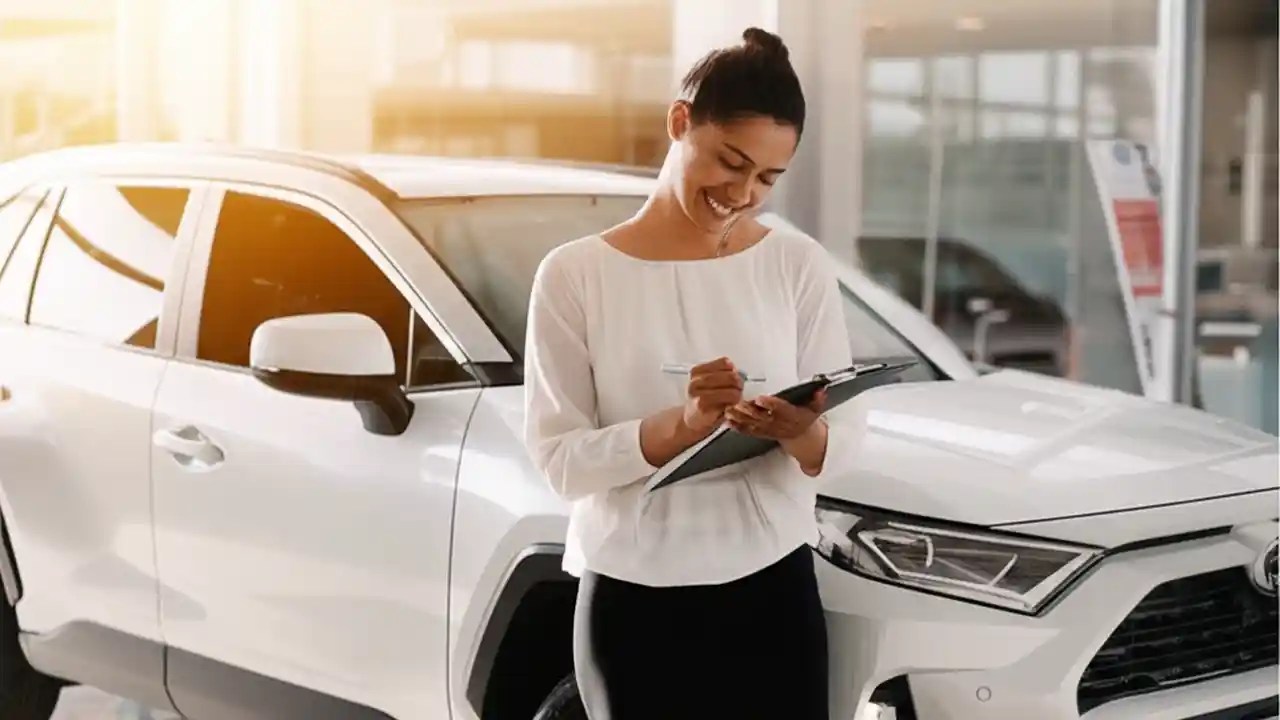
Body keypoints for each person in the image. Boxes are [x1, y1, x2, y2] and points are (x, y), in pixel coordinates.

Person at [523, 27, 853, 720]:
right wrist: (684, 424)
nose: (743, 193)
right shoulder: (575, 274)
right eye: (731, 162)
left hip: (773, 588)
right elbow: (560, 463)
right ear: (680, 121)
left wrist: (799, 431)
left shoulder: (796, 265)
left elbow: (848, 442)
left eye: (767, 178)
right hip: (633, 599)